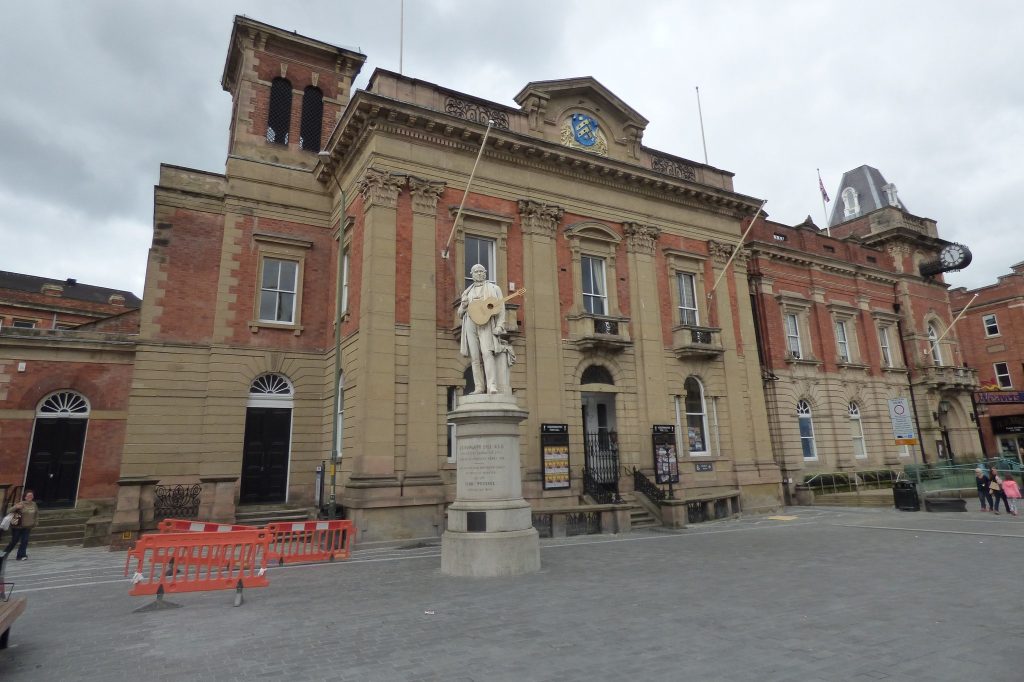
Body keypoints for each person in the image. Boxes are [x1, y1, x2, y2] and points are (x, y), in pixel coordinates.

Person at [458, 264, 507, 394]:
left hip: (486, 323)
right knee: (475, 358)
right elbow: (459, 313)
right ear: (472, 274)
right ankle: (479, 387)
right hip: (470, 322)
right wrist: (463, 305)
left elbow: (501, 309)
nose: (479, 274)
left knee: (487, 353)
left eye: (481, 271)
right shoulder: (467, 292)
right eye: (476, 272)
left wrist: (500, 326)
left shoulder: (494, 288)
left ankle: (491, 385)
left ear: (485, 274)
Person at [3, 489, 38, 560]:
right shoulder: (21, 504)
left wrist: (35, 522)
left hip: (27, 527)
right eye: (28, 496)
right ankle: (4, 554)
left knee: (24, 541)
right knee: (14, 541)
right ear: (25, 497)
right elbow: (8, 511)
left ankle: (21, 555)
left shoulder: (34, 504)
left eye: (31, 495)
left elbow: (36, 514)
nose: (30, 497)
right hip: (18, 527)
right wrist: (16, 507)